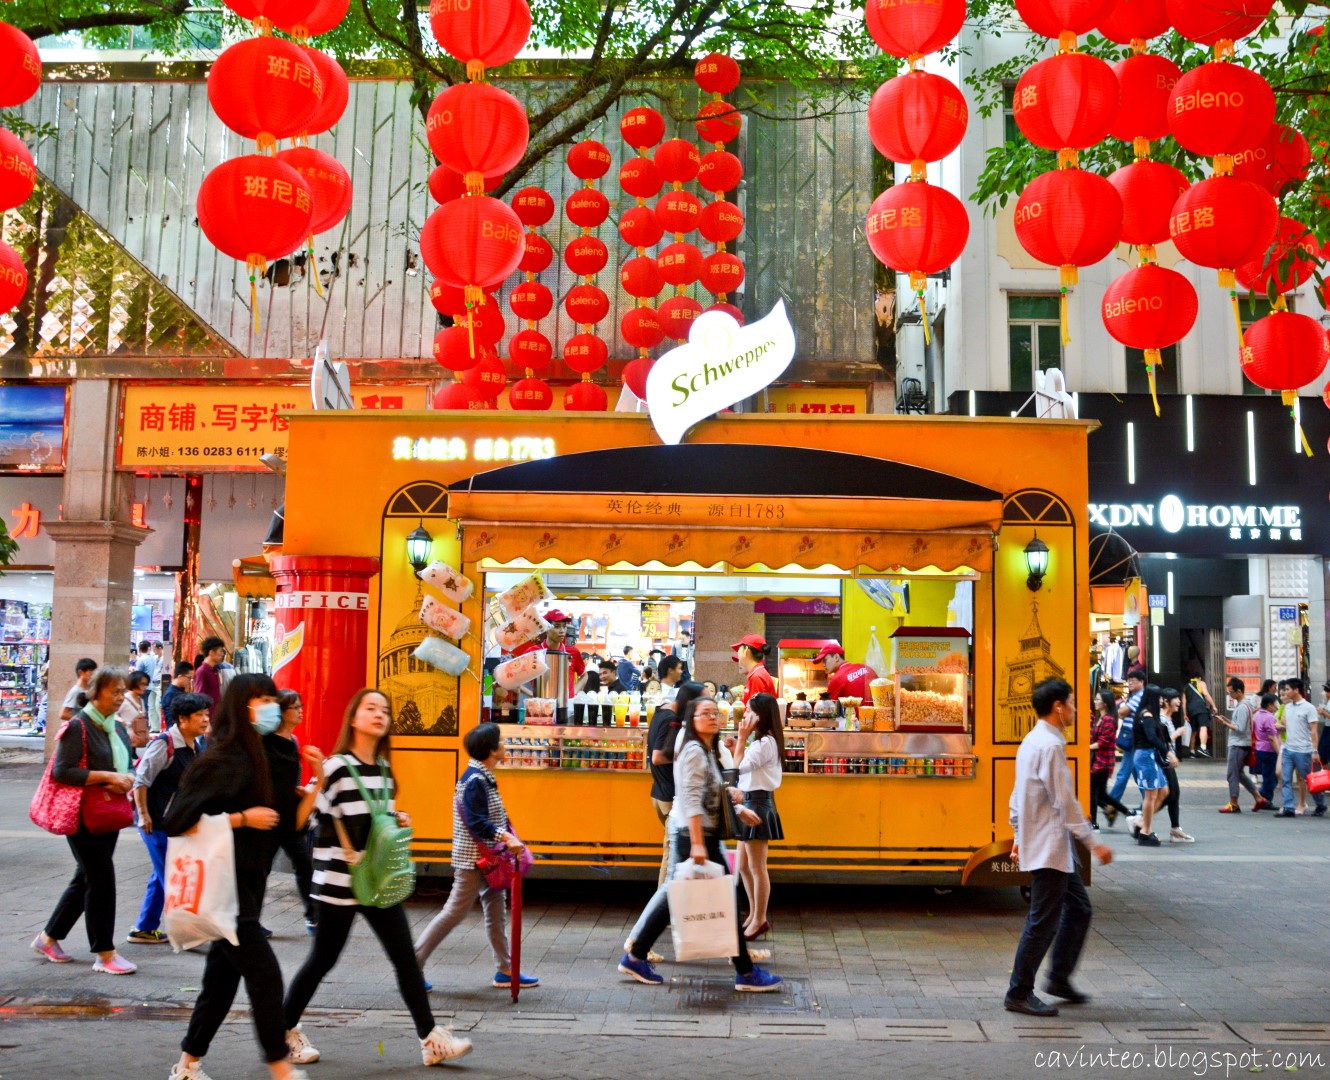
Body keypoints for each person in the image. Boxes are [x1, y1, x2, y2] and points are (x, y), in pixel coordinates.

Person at [283, 690, 472, 1069]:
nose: (379, 715)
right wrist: (318, 782)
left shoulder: (384, 770)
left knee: (405, 959)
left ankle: (430, 1039)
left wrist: (394, 820)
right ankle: (283, 1032)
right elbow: (307, 822)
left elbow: (371, 822)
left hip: (377, 881)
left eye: (384, 710)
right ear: (353, 718)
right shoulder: (336, 766)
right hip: (338, 882)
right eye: (370, 708)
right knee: (323, 959)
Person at [163, 673, 324, 1080]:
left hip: (250, 885)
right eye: (262, 699)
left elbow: (290, 828)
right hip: (223, 886)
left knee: (220, 980)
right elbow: (175, 820)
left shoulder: (275, 756)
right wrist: (239, 819)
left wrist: (317, 782)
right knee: (265, 975)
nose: (272, 706)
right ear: (240, 706)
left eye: (274, 698)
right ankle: (279, 1065)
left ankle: (186, 1065)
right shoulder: (222, 760)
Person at [618, 695, 780, 991]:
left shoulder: (706, 750)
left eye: (716, 713)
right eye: (705, 713)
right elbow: (692, 799)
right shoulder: (694, 750)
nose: (713, 717)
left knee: (680, 898)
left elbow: (714, 789)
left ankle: (637, 955)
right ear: (692, 719)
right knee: (718, 900)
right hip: (695, 836)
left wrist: (739, 809)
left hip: (702, 835)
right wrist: (696, 844)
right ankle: (745, 972)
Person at [1005, 678, 1113, 1017]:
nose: (1076, 710)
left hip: (1048, 845)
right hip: (1049, 846)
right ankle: (1019, 992)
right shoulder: (1049, 746)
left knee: (1079, 909)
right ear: (1058, 707)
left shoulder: (1032, 740)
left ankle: (1059, 979)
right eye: (1072, 703)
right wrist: (1094, 844)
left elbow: (1015, 796)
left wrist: (1018, 836)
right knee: (1042, 922)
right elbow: (1065, 803)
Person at [414, 722, 537, 991]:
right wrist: (506, 837)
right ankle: (412, 967)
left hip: (489, 860)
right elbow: (478, 822)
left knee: (496, 913)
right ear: (491, 751)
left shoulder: (482, 776)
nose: (504, 746)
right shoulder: (475, 781)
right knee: (453, 913)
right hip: (473, 861)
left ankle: (505, 970)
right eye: (501, 743)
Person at [32, 667, 138, 975]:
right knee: (102, 880)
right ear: (94, 692)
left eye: (122, 692)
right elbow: (62, 771)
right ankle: (105, 954)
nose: (120, 698)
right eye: (114, 692)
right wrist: (107, 777)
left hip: (108, 813)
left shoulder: (115, 727)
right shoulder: (78, 726)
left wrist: (125, 778)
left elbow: (125, 762)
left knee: (86, 878)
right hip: (81, 816)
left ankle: (48, 938)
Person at [625, 681, 710, 961]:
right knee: (669, 876)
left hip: (669, 800)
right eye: (704, 707)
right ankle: (643, 936)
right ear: (690, 706)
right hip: (670, 802)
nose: (711, 714)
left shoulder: (668, 719)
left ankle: (666, 923)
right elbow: (657, 757)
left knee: (672, 873)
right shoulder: (676, 726)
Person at [127, 692, 211, 945]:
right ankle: (189, 931)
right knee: (174, 877)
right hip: (155, 823)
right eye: (200, 715)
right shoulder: (165, 744)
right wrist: (143, 815)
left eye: (207, 714)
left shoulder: (196, 744)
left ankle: (144, 928)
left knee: (161, 874)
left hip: (176, 823)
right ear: (182, 719)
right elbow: (141, 781)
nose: (206, 720)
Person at [734, 692, 785, 941]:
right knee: (743, 865)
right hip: (749, 801)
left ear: (761, 715)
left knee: (757, 866)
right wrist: (741, 743)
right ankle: (754, 914)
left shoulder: (766, 743)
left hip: (757, 803)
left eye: (750, 711)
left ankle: (760, 918)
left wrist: (740, 740)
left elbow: (737, 769)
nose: (746, 715)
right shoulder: (762, 741)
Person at [274, 689, 317, 934]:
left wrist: (298, 790)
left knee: (303, 862)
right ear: (281, 712)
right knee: (260, 869)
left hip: (290, 816)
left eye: (301, 706)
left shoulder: (293, 741)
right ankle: (249, 920)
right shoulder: (267, 741)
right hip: (269, 817)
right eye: (296, 708)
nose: (301, 711)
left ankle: (312, 916)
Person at [1127, 685, 1174, 847]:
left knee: (1163, 791)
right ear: (1153, 698)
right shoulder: (1146, 715)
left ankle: (1141, 823)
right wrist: (1168, 753)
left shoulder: (1148, 714)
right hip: (1146, 756)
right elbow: (1152, 737)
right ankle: (1145, 832)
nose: (1161, 701)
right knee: (1151, 795)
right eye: (1159, 697)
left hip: (1149, 756)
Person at [1275, 677, 1325, 818]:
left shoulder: (1309, 708)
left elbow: (1314, 731)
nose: (1285, 692)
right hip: (1288, 749)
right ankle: (1288, 807)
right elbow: (1289, 727)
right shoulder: (1287, 707)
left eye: (1288, 689)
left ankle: (1320, 804)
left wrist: (1315, 751)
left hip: (1304, 751)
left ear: (1296, 690)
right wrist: (1282, 727)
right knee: (1286, 779)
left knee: (1308, 780)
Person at [1217, 677, 1267, 813]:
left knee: (1232, 774)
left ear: (1239, 691)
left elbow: (1239, 728)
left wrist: (1225, 724)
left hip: (1238, 744)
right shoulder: (1245, 705)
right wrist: (1227, 720)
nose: (1230, 695)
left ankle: (1234, 803)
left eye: (1231, 692)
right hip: (1242, 744)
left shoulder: (1243, 707)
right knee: (1239, 774)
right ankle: (1258, 798)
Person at [512, 609, 585, 698]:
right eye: (557, 626)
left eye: (564, 626)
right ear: (546, 628)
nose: (562, 630)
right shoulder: (533, 652)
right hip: (541, 707)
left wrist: (573, 692)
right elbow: (513, 676)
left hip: (566, 707)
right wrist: (532, 694)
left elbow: (584, 675)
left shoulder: (573, 652)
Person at [1089, 690, 1132, 828]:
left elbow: (1103, 742)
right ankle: (1128, 813)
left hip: (1102, 762)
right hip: (1098, 760)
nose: (1095, 702)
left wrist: (1086, 748)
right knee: (1101, 794)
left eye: (1098, 700)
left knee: (1093, 793)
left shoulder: (1108, 719)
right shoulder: (1099, 718)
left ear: (1105, 703)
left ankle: (1093, 823)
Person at [1157, 689, 1194, 843]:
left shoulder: (1167, 718)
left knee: (1172, 795)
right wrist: (1177, 734)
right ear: (1166, 701)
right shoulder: (1161, 719)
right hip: (1163, 761)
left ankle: (1175, 829)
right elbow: (1161, 742)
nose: (1179, 702)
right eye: (1175, 699)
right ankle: (1140, 820)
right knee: (1168, 795)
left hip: (1168, 761)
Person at [1108, 667, 1147, 808]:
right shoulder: (1137, 696)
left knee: (1123, 773)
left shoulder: (1139, 696)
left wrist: (1122, 710)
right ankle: (1148, 802)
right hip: (1135, 739)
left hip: (1133, 739)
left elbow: (1122, 712)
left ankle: (1111, 803)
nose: (1130, 683)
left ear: (1141, 682)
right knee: (1137, 773)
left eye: (1133, 681)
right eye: (1129, 681)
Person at [1252, 692, 1282, 806]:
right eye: (1275, 704)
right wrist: (1279, 753)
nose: (1276, 706)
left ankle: (1262, 796)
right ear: (1269, 705)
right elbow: (1272, 738)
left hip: (1260, 748)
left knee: (1266, 774)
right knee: (1271, 777)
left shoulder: (1258, 714)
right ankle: (1265, 800)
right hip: (1269, 750)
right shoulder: (1269, 717)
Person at [732, 634, 776, 705]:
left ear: (746, 651)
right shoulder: (756, 674)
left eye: (739, 650)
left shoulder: (757, 677)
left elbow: (755, 711)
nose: (738, 655)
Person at [1183, 666, 1217, 758]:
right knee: (1203, 726)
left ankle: (1192, 752)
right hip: (1200, 709)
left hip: (1191, 711)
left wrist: (1185, 714)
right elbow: (1205, 694)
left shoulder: (1186, 687)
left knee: (1193, 731)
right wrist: (1213, 705)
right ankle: (1203, 747)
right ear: (1199, 677)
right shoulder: (1201, 683)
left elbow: (1184, 702)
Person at [193, 637, 226, 718]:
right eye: (220, 651)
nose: (222, 654)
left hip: (215, 717)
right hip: (208, 720)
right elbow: (199, 697)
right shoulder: (202, 671)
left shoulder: (214, 670)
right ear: (211, 652)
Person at [119, 669, 152, 751]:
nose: (145, 687)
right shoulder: (124, 699)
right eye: (142, 684)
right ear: (134, 683)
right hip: (125, 739)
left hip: (137, 739)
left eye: (146, 684)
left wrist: (146, 732)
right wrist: (121, 721)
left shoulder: (141, 700)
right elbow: (112, 714)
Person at [59, 657, 98, 723]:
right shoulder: (76, 691)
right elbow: (63, 714)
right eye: (90, 673)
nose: (93, 676)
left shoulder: (90, 689)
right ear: (81, 672)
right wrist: (84, 720)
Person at [161, 660, 194, 730]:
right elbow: (171, 720)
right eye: (189, 678)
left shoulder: (181, 690)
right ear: (180, 676)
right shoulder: (170, 694)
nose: (190, 681)